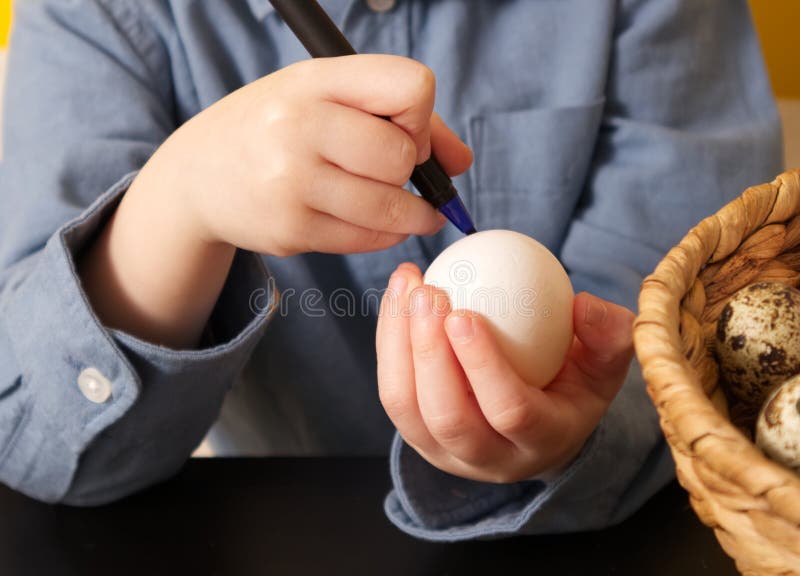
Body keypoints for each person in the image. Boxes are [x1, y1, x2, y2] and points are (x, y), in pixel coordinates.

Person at [0, 0, 782, 540]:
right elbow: (38, 441)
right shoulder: (102, 16)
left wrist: (576, 425)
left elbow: (698, 333)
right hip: (288, 539)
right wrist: (176, 203)